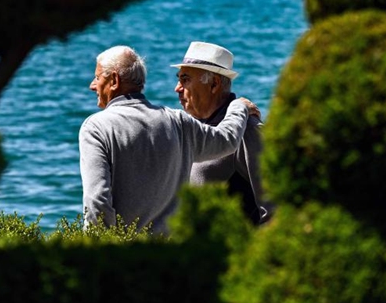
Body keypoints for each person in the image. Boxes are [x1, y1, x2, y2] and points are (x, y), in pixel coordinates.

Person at [79, 45, 256, 234]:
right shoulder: (178, 121)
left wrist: (102, 252)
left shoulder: (96, 128)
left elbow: (97, 201)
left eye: (98, 77)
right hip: (172, 254)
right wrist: (239, 108)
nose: (92, 85)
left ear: (114, 80)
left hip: (127, 256)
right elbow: (227, 140)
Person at [172, 41, 273, 225]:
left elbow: (273, 209)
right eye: (179, 79)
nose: (177, 88)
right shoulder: (193, 128)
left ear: (214, 84)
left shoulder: (248, 130)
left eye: (185, 79)